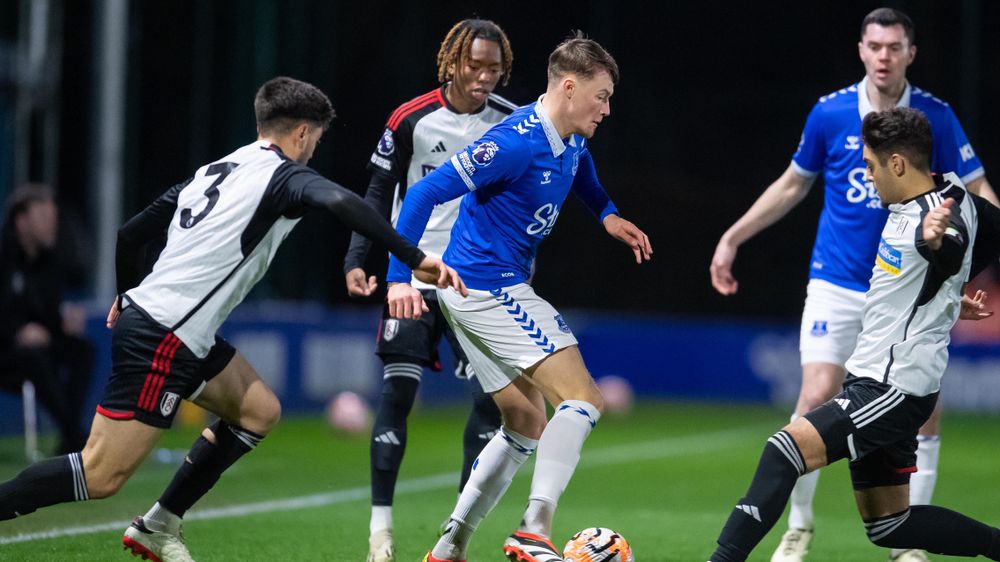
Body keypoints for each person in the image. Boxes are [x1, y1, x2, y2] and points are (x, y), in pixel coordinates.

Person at [0, 76, 466, 562]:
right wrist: (414, 258)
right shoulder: (284, 175)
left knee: (259, 410)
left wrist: (124, 293)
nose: (314, 151)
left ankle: (159, 525)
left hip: (177, 330)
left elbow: (131, 233)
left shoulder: (215, 169)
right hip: (165, 334)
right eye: (318, 139)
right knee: (100, 475)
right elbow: (341, 202)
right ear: (303, 133)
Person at [708, 9, 998, 561]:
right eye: (874, 45)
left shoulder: (927, 208)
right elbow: (797, 184)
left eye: (867, 166)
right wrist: (948, 290)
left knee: (782, 451)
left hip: (891, 385)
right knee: (889, 524)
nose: (859, 176)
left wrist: (948, 243)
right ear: (861, 50)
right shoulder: (879, 179)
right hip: (856, 296)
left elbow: (952, 232)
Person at [384, 32, 652, 562]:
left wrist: (607, 214)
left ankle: (448, 547)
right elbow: (423, 193)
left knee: (524, 422)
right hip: (488, 288)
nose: (607, 108)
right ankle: (534, 528)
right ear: (570, 87)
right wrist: (398, 276)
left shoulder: (570, 137)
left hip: (481, 291)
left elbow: (583, 176)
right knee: (583, 400)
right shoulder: (514, 142)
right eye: (602, 96)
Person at [341, 18, 514, 562]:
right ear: (451, 63)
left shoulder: (512, 122)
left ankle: (453, 539)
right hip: (411, 278)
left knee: (492, 407)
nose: (484, 76)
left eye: (494, 67)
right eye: (475, 65)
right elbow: (377, 191)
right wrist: (356, 258)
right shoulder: (410, 118)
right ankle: (380, 535)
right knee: (398, 394)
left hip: (476, 283)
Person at [0, 183, 94, 455]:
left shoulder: (50, 262)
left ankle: (70, 437)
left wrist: (63, 321)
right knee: (33, 357)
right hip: (6, 351)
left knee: (83, 351)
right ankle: (74, 434)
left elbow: (47, 314)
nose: (50, 226)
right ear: (21, 220)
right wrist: (17, 332)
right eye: (42, 218)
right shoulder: (4, 259)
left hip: (38, 348)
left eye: (52, 218)